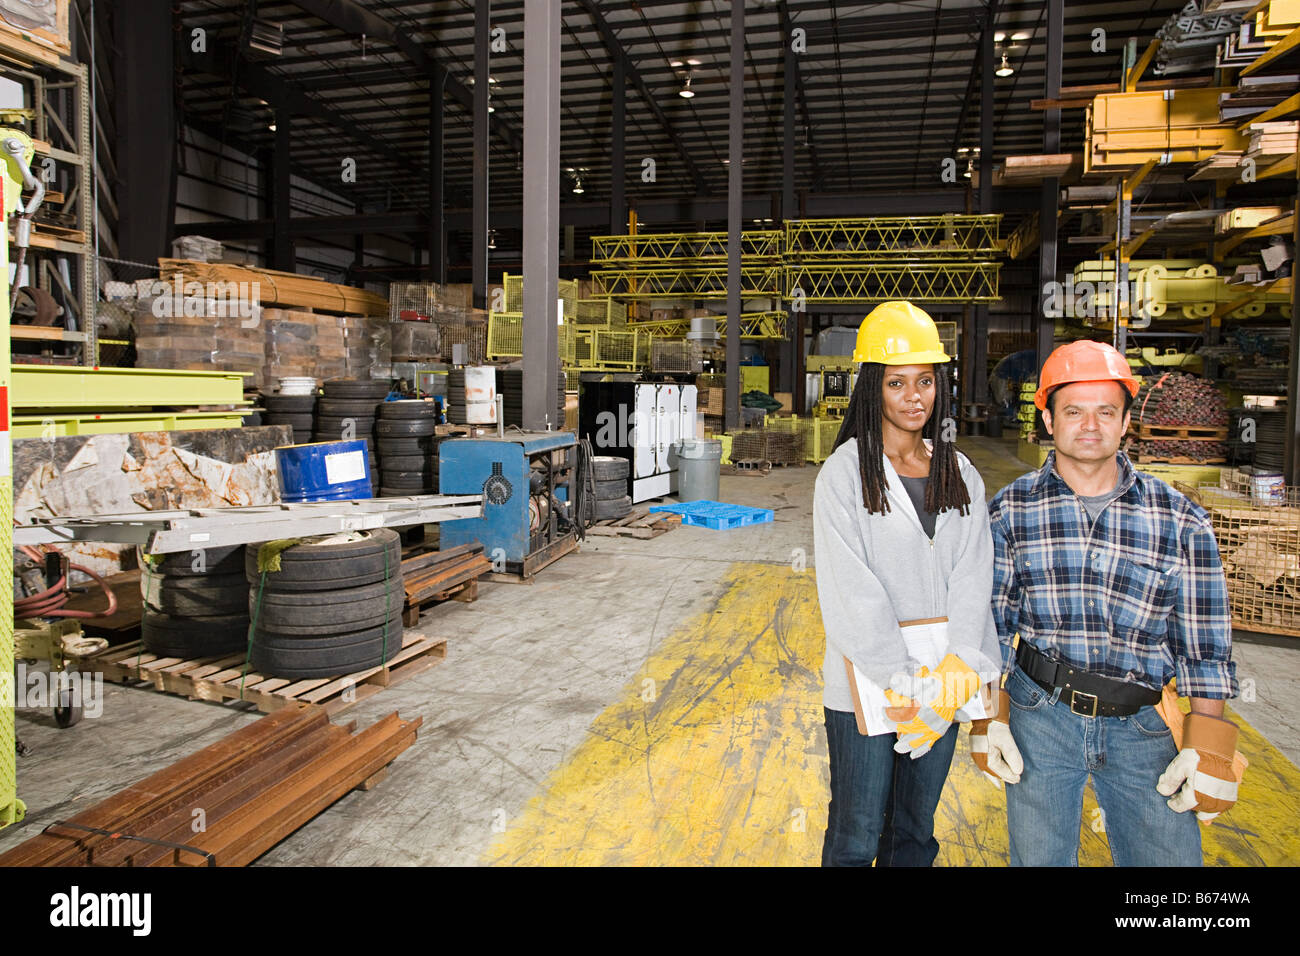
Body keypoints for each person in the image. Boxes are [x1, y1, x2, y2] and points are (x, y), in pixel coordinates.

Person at [976, 339, 1239, 867]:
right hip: (1039, 715)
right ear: (1048, 419)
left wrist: (1208, 746)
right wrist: (989, 720)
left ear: (1124, 423)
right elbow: (993, 628)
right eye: (1073, 411)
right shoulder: (1011, 510)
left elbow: (1204, 644)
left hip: (1142, 726)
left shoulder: (1180, 520)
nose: (1089, 425)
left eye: (1106, 412)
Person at [814, 300, 1001, 867]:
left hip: (942, 687)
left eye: (925, 381)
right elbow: (850, 590)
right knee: (855, 833)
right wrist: (900, 678)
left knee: (915, 833)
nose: (914, 397)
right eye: (897, 383)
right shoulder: (845, 474)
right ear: (873, 387)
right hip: (865, 687)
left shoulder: (959, 471)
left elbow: (974, 574)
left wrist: (955, 674)